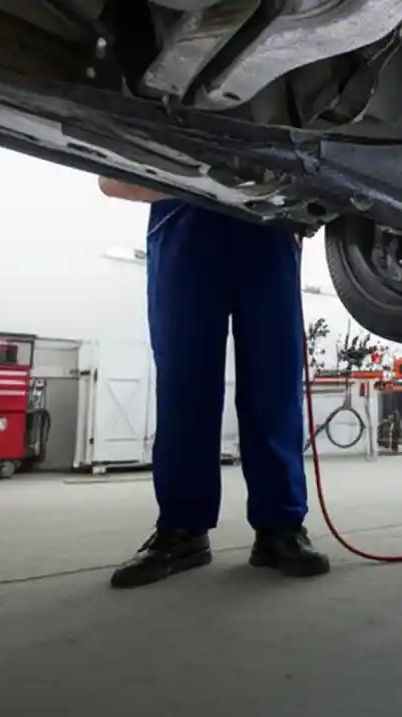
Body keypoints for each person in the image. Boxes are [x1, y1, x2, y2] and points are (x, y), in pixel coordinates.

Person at [99, 178, 330, 589]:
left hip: (269, 226)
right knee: (185, 388)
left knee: (274, 384)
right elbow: (110, 179)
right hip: (185, 222)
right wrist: (202, 181)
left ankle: (280, 528)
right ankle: (183, 530)